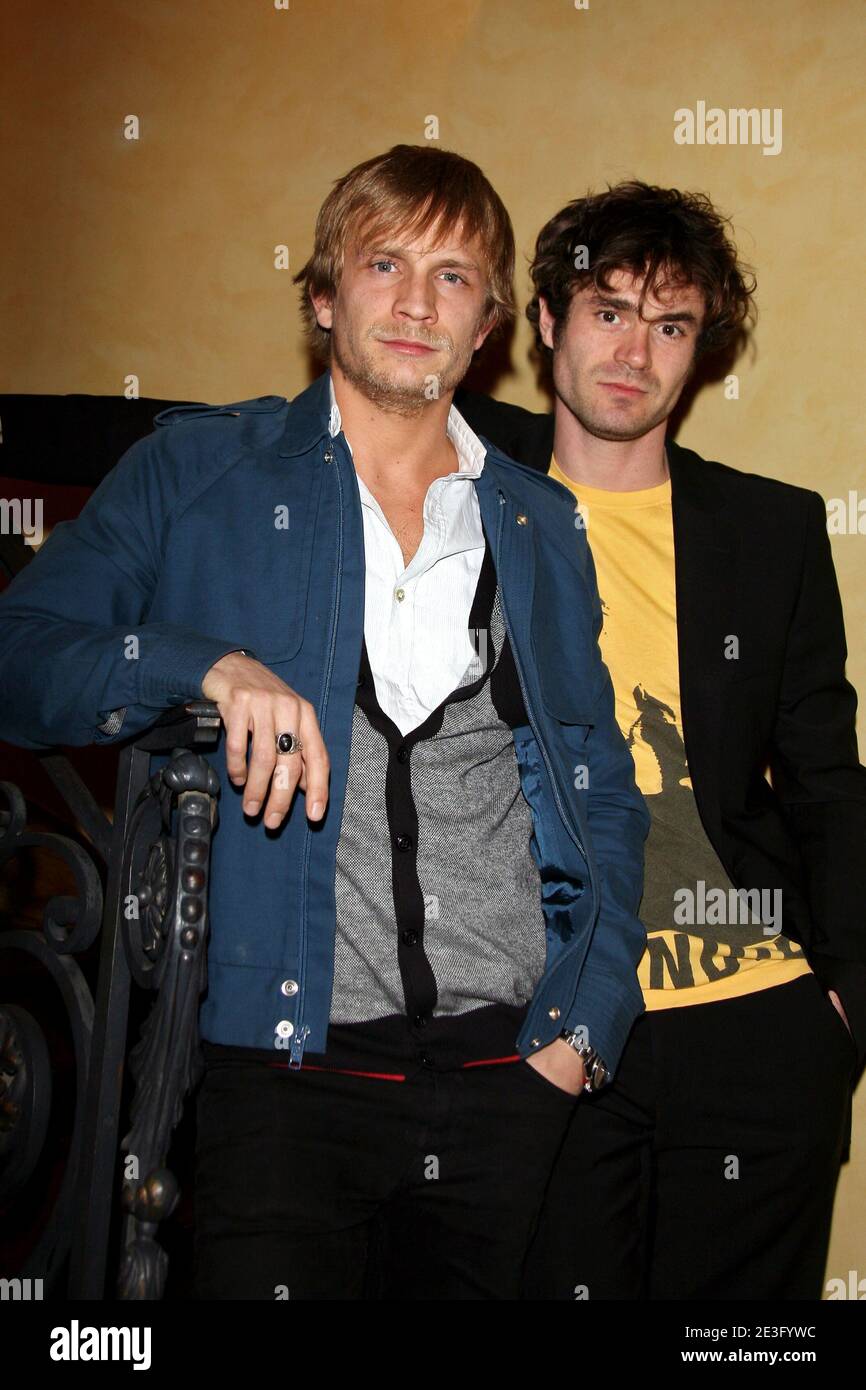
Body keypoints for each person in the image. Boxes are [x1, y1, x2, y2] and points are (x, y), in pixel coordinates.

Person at [0, 145, 649, 1299]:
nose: (414, 301)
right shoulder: (197, 472)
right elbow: (22, 655)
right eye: (383, 262)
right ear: (320, 295)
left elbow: (599, 782)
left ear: (490, 320)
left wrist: (583, 1028)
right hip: (282, 1069)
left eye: (453, 277)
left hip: (514, 1071)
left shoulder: (541, 522)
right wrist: (206, 665)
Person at [455, 179, 866, 1300]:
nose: (634, 351)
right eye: (607, 310)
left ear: (699, 352)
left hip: (755, 1024)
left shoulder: (769, 530)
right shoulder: (465, 492)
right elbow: (263, 433)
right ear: (544, 322)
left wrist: (841, 1006)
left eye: (669, 323)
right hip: (551, 1020)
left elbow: (826, 781)